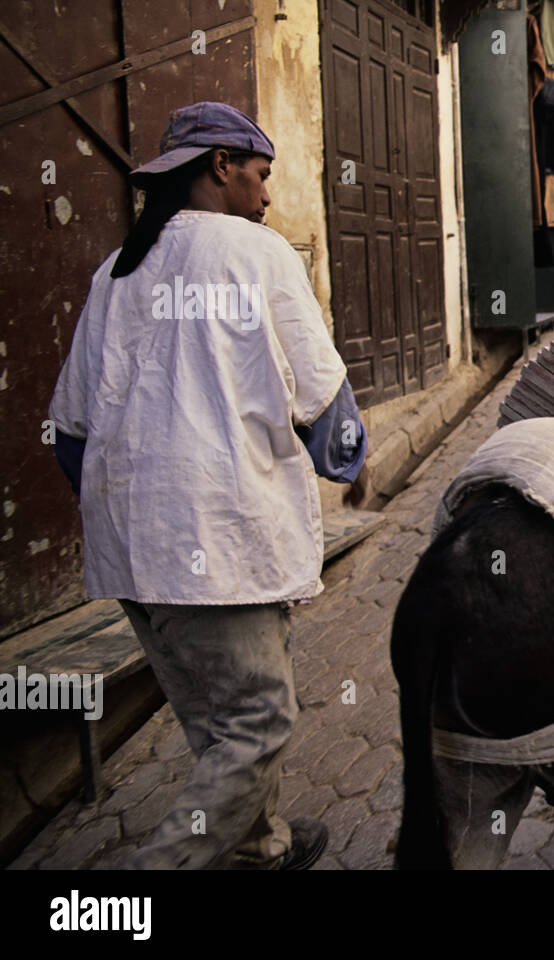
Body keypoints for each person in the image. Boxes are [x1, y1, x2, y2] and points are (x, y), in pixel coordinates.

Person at [47, 102, 368, 870]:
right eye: (260, 176)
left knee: (215, 723)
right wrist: (351, 465)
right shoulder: (255, 254)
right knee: (257, 722)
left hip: (134, 545)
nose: (265, 195)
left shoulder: (116, 270)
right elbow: (328, 417)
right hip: (218, 538)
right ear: (221, 165)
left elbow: (69, 435)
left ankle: (259, 848)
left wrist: (127, 510)